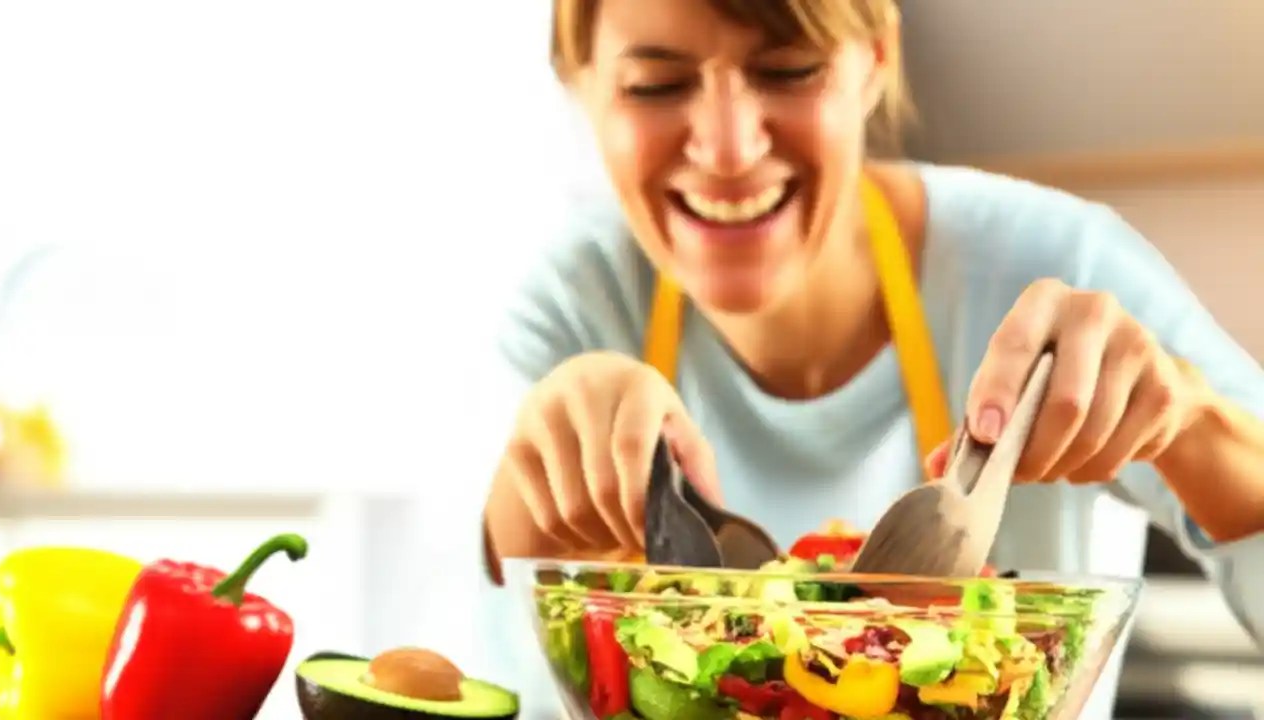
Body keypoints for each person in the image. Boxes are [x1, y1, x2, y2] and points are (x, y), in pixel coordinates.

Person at [474, 0, 1264, 716]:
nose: (727, 149)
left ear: (876, 63)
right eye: (654, 84)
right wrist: (538, 500)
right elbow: (500, 662)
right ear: (577, 85)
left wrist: (1193, 428)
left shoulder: (1061, 260)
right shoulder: (572, 304)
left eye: (789, 71)